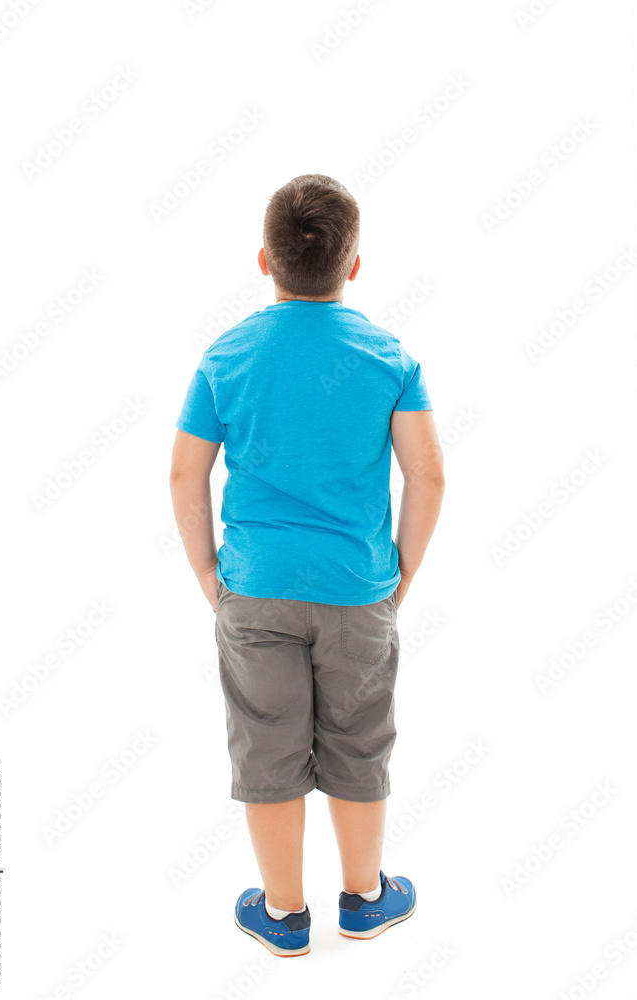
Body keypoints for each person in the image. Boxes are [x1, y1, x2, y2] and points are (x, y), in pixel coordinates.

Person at [169, 174, 445, 957]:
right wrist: (400, 575)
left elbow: (184, 474)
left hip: (253, 589)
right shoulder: (389, 357)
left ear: (264, 259)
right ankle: (364, 897)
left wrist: (204, 574)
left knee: (267, 742)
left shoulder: (225, 356)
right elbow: (428, 476)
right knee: (359, 738)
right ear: (352, 265)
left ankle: (284, 913)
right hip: (358, 591)